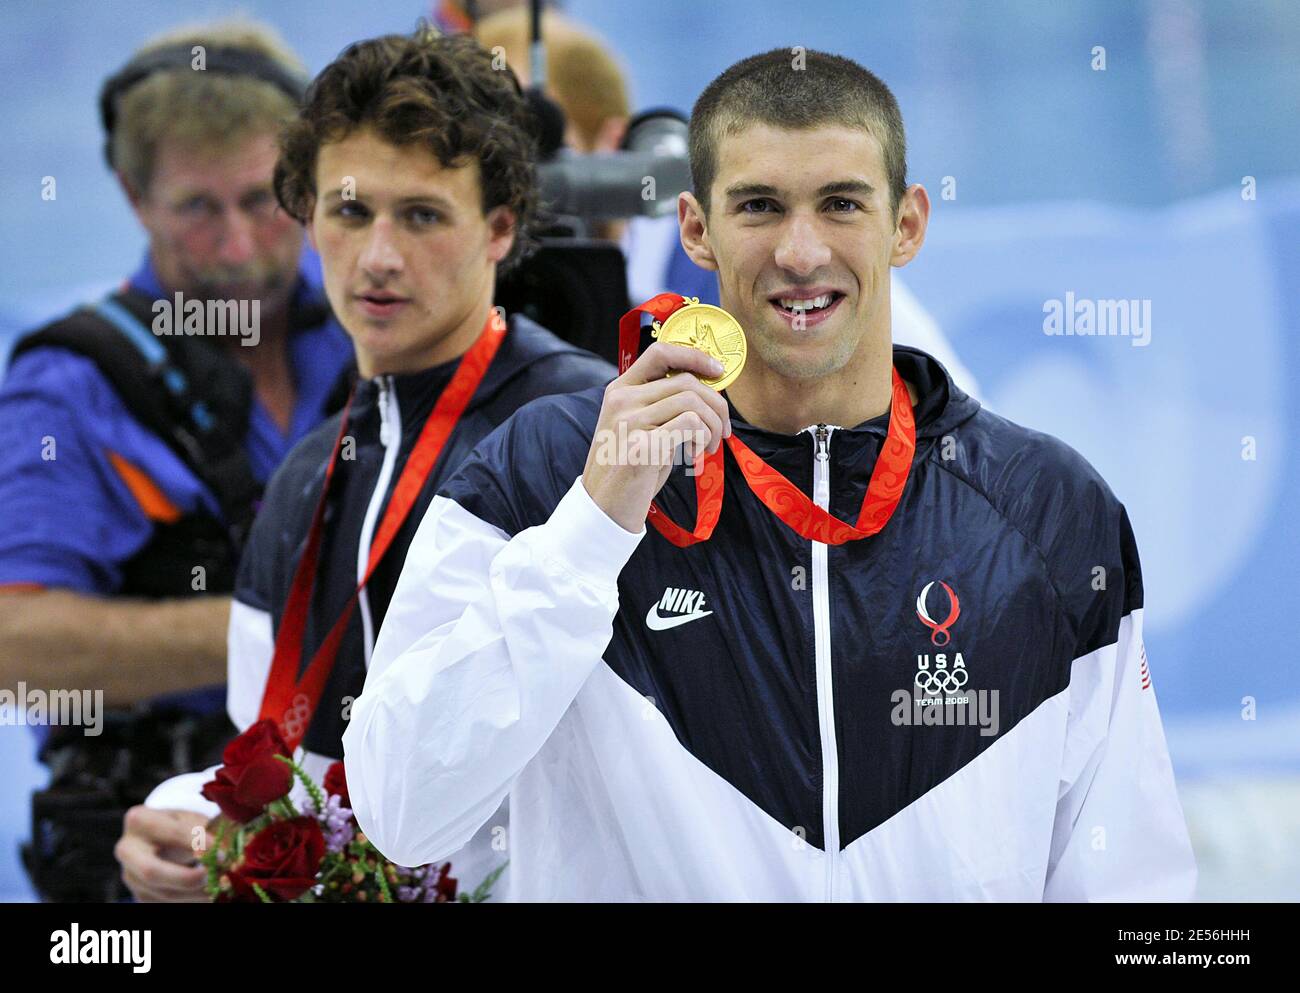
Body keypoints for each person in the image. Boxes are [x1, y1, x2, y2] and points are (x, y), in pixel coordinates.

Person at [343, 48, 1197, 901]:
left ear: (906, 224)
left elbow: (1132, 883)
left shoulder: (1048, 508)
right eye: (758, 205)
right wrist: (590, 530)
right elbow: (401, 809)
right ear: (694, 228)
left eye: (840, 204)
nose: (799, 251)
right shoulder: (543, 472)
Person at [115, 26, 614, 902]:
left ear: (499, 228)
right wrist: (193, 824)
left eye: (421, 214)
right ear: (307, 217)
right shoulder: (309, 471)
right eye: (350, 212)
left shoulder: (587, 432)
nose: (378, 257)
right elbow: (295, 764)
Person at [0, 19, 353, 902]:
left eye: (265, 199)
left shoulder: (378, 323)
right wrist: (289, 630)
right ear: (131, 194)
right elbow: (14, 653)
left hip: (371, 821)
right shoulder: (68, 386)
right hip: (150, 848)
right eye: (199, 208)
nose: (238, 246)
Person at [472, 5, 980, 393]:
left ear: (612, 143)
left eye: (537, 156)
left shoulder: (758, 258)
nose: (515, 186)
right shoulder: (467, 280)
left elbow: (957, 415)